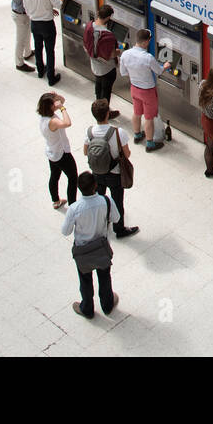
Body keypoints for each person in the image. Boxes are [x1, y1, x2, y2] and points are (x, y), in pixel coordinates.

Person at [62, 171, 121, 319]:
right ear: (95, 185)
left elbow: (66, 231)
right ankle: (107, 304)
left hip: (83, 251)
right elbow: (116, 217)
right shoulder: (105, 201)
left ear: (79, 188)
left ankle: (87, 308)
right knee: (105, 277)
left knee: (85, 280)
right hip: (101, 247)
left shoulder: (74, 208)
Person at [84, 99, 138, 238]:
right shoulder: (118, 132)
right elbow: (127, 154)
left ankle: (101, 224)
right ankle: (119, 229)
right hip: (115, 174)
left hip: (97, 173)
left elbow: (85, 152)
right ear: (108, 114)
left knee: (99, 199)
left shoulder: (89, 132)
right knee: (117, 201)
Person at [119, 29, 172, 150]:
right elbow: (158, 71)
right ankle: (150, 143)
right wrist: (165, 66)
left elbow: (123, 73)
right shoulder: (148, 58)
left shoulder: (125, 54)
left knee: (137, 113)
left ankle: (137, 135)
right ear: (146, 42)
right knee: (149, 117)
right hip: (148, 91)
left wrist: (135, 75)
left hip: (134, 88)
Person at [21, 0, 64, 86]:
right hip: (47, 25)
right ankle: (51, 77)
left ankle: (40, 71)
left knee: (38, 48)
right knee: (50, 50)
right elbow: (58, 4)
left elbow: (27, 9)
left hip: (35, 24)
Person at [38, 91, 77, 209]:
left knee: (54, 176)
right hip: (62, 153)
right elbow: (67, 123)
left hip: (51, 152)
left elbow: (62, 100)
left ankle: (55, 200)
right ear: (50, 106)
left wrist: (57, 96)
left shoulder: (43, 117)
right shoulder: (53, 121)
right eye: (54, 102)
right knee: (73, 177)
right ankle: (73, 205)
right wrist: (62, 108)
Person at [8, 0, 36, 73]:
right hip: (21, 15)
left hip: (18, 12)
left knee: (27, 33)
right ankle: (19, 63)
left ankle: (27, 53)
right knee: (20, 39)